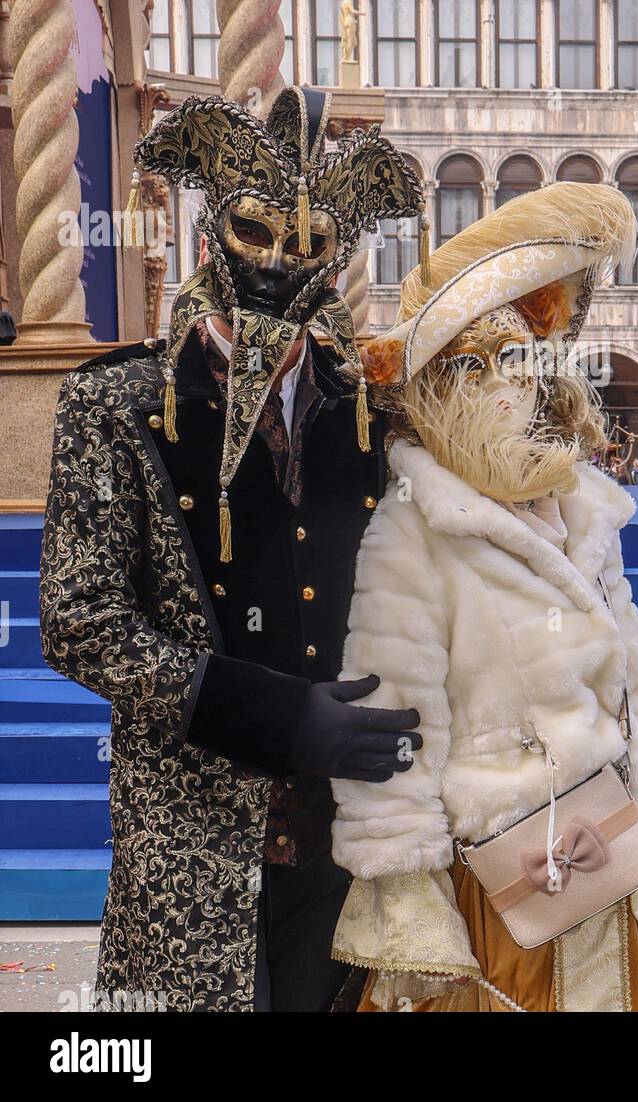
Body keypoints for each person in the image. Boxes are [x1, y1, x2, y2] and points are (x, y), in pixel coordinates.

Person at [39, 87, 427, 1012]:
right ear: (213, 228)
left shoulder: (373, 415)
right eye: (257, 230)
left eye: (312, 243)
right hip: (190, 833)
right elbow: (80, 621)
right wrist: (278, 716)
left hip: (348, 833)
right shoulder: (119, 405)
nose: (282, 263)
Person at [329, 184, 638, 1013]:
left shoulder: (583, 507)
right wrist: (408, 887)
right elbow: (394, 722)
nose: (500, 385)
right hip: (507, 871)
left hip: (622, 842)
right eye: (470, 366)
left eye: (515, 360)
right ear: (432, 388)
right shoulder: (415, 529)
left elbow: (630, 651)